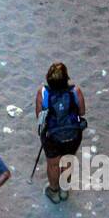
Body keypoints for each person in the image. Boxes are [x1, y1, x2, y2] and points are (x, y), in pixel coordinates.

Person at [35, 62, 86, 204]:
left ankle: (54, 191)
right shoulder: (76, 91)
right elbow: (82, 112)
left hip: (52, 136)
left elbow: (39, 117)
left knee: (53, 164)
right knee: (68, 160)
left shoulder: (43, 92)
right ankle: (64, 190)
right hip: (73, 134)